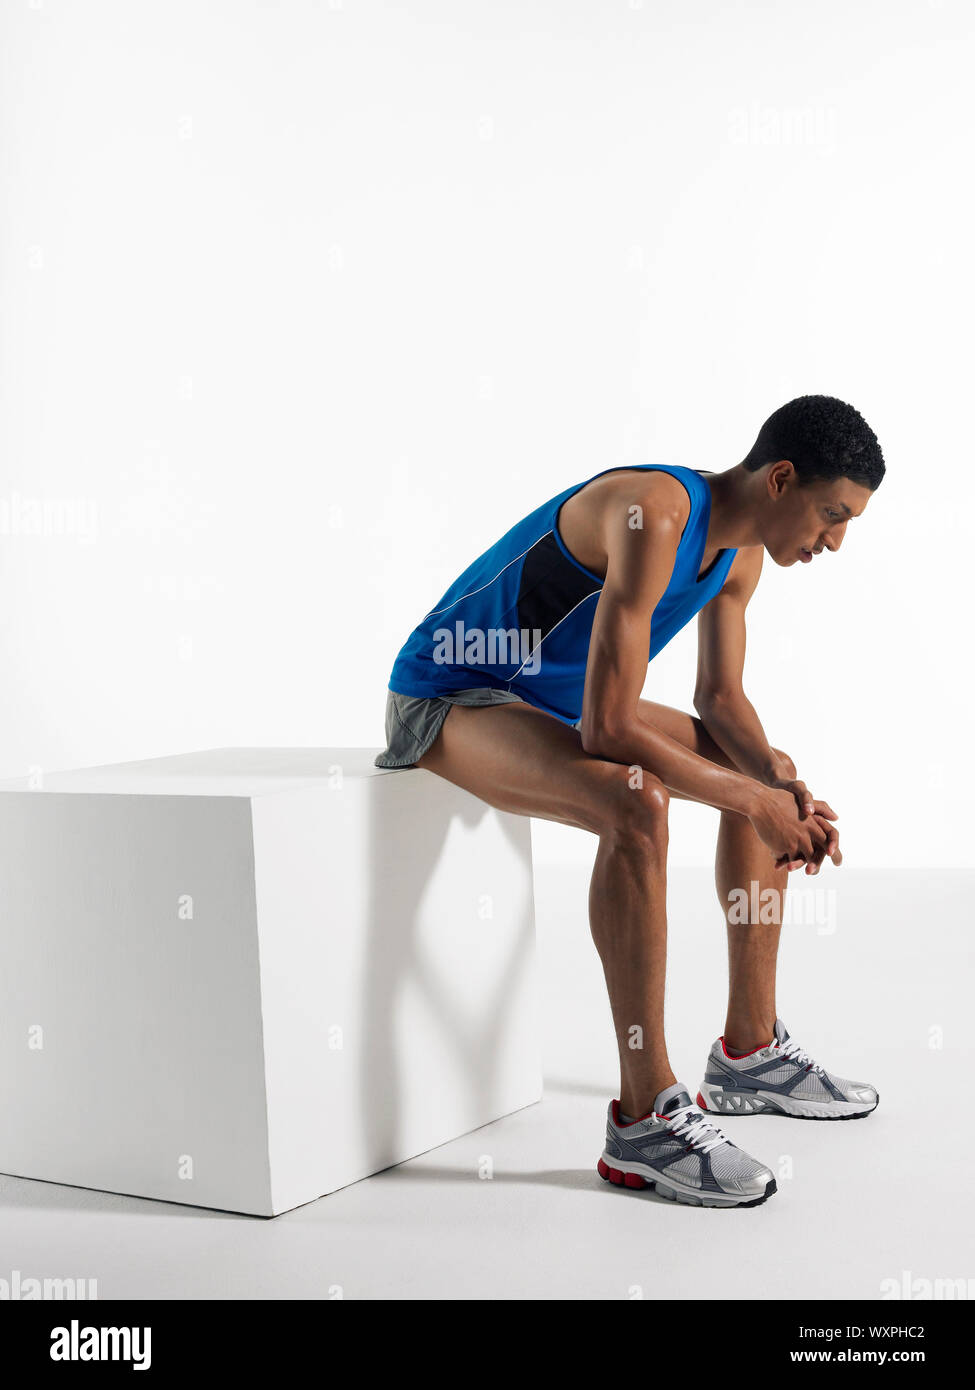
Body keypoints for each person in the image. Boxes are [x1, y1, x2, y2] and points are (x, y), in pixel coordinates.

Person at [375, 394, 884, 1208]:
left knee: (770, 764)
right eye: (830, 515)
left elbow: (720, 701)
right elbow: (607, 727)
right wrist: (753, 803)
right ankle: (642, 1118)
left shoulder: (740, 557)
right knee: (636, 801)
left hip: (545, 698)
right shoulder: (655, 513)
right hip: (454, 695)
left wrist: (782, 789)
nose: (834, 541)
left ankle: (748, 1052)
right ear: (780, 478)